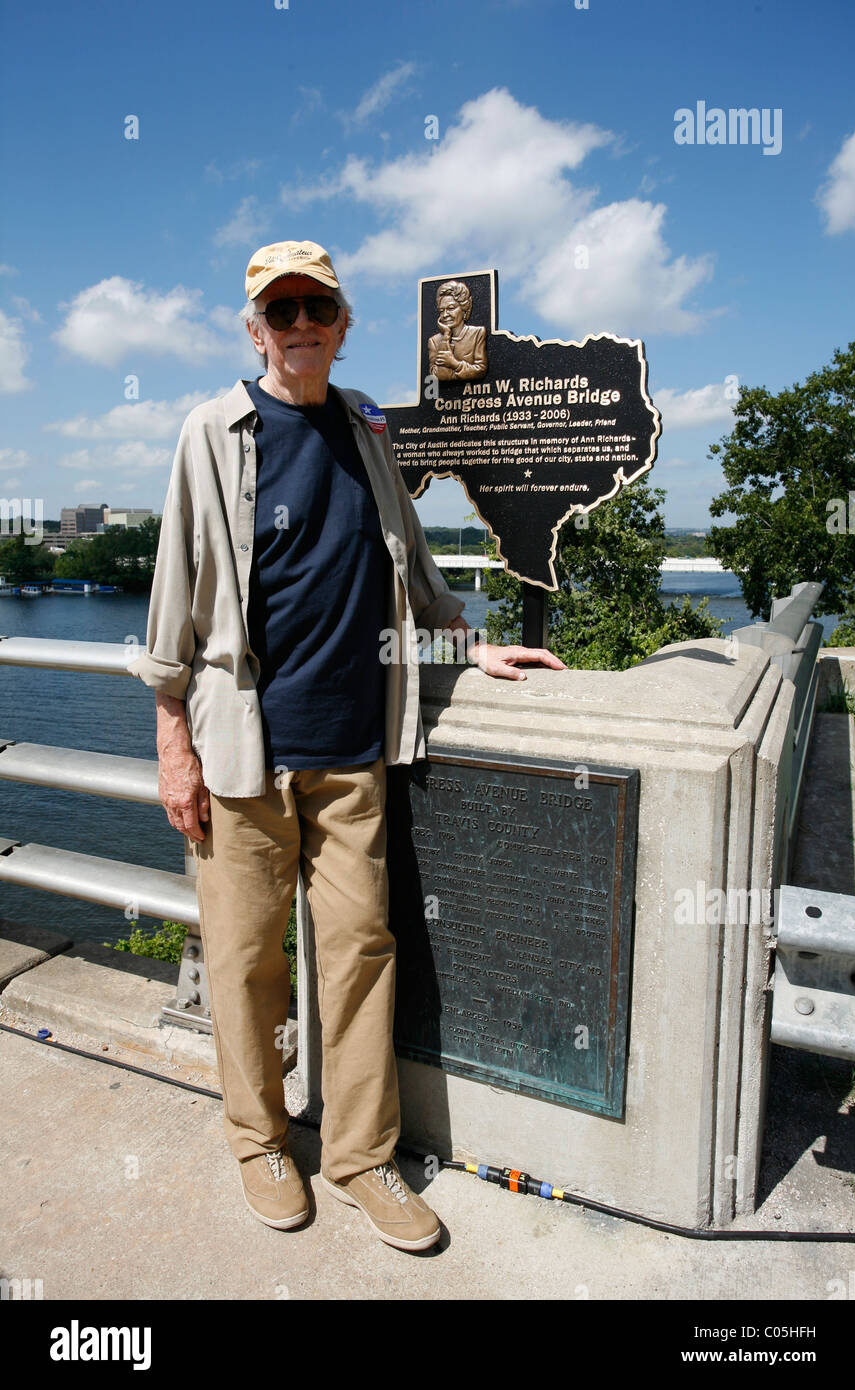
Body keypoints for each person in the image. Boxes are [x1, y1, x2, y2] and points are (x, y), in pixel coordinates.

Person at [128, 239, 565, 1253]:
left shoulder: (367, 426)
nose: (299, 327)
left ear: (341, 320)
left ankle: (362, 1156)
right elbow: (172, 601)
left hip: (352, 751)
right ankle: (258, 1139)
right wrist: (171, 743)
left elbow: (407, 566)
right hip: (240, 753)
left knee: (362, 953)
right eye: (279, 313)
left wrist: (469, 643)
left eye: (315, 308)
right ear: (254, 329)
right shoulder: (211, 431)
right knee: (244, 963)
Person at [427, 279, 487, 381]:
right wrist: (445, 337)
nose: (445, 315)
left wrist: (454, 364)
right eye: (441, 311)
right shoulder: (434, 341)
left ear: (463, 308)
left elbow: (480, 370)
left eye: (451, 308)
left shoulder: (477, 333)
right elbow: (437, 377)